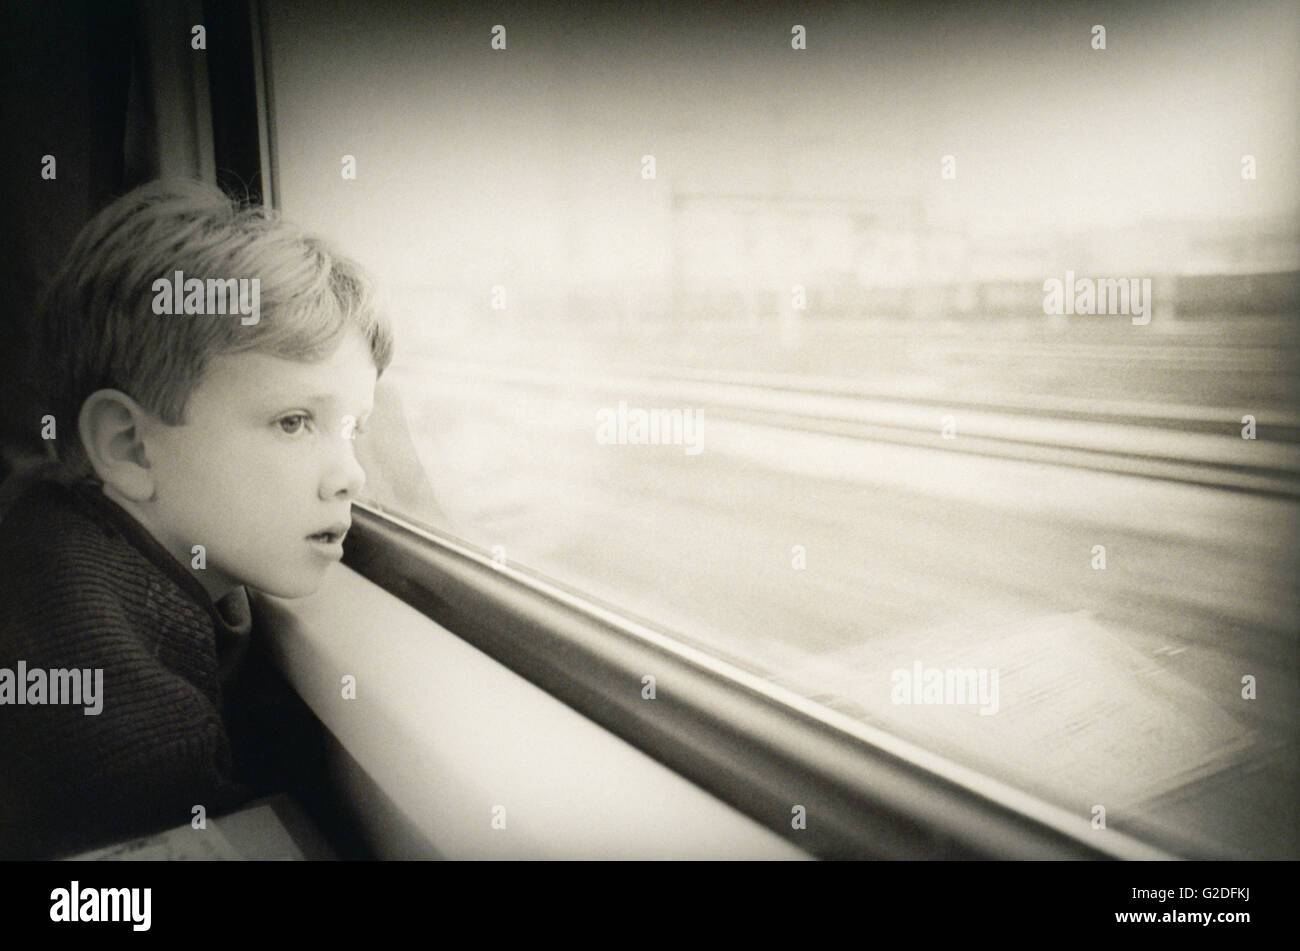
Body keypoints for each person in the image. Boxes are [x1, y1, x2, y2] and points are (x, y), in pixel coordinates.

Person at [0, 179, 394, 858]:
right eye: (295, 422)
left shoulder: (126, 537)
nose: (350, 474)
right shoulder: (110, 702)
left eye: (354, 428)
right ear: (129, 445)